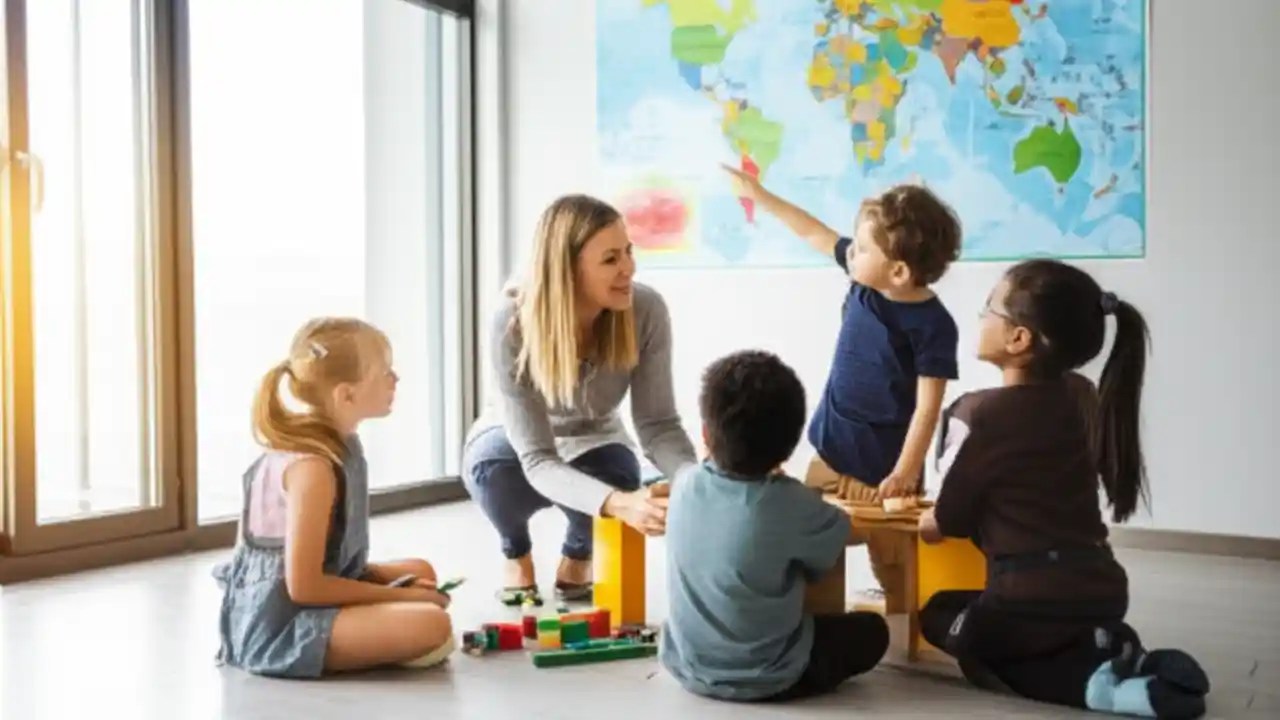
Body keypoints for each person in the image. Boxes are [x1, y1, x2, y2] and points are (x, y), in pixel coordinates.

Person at [917, 260, 1209, 718]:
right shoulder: (1082, 396)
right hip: (1103, 588)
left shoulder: (979, 414)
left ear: (1019, 339)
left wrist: (924, 522)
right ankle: (1120, 650)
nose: (979, 318)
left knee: (940, 617)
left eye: (987, 308)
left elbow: (948, 521)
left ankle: (1098, 687)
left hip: (1028, 598)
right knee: (1030, 626)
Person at [723, 166, 961, 609]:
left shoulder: (933, 326)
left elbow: (928, 407)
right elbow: (813, 232)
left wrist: (905, 473)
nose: (852, 254)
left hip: (882, 472)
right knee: (806, 540)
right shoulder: (864, 279)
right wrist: (762, 196)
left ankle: (901, 611)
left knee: (889, 559)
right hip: (829, 451)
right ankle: (814, 612)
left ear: (899, 271)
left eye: (863, 248)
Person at [462, 194, 698, 605]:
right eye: (610, 259)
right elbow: (536, 457)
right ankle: (515, 551)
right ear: (567, 270)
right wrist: (619, 505)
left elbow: (658, 425)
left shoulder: (646, 309)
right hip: (520, 439)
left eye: (628, 252)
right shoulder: (512, 321)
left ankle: (577, 553)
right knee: (491, 471)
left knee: (622, 478)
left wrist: (695, 483)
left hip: (596, 436)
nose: (629, 267)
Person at [214, 318, 454, 678]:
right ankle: (389, 634)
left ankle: (387, 629)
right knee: (431, 624)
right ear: (347, 394)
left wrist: (399, 586)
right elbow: (304, 586)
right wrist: (403, 597)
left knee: (421, 571)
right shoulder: (312, 469)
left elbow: (332, 560)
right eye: (385, 372)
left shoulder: (342, 446)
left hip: (318, 589)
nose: (396, 380)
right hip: (281, 624)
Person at [661, 350, 889, 701]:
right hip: (773, 675)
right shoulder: (790, 501)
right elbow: (854, 532)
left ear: (706, 434)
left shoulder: (684, 483)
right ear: (788, 447)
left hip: (686, 667)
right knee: (874, 632)